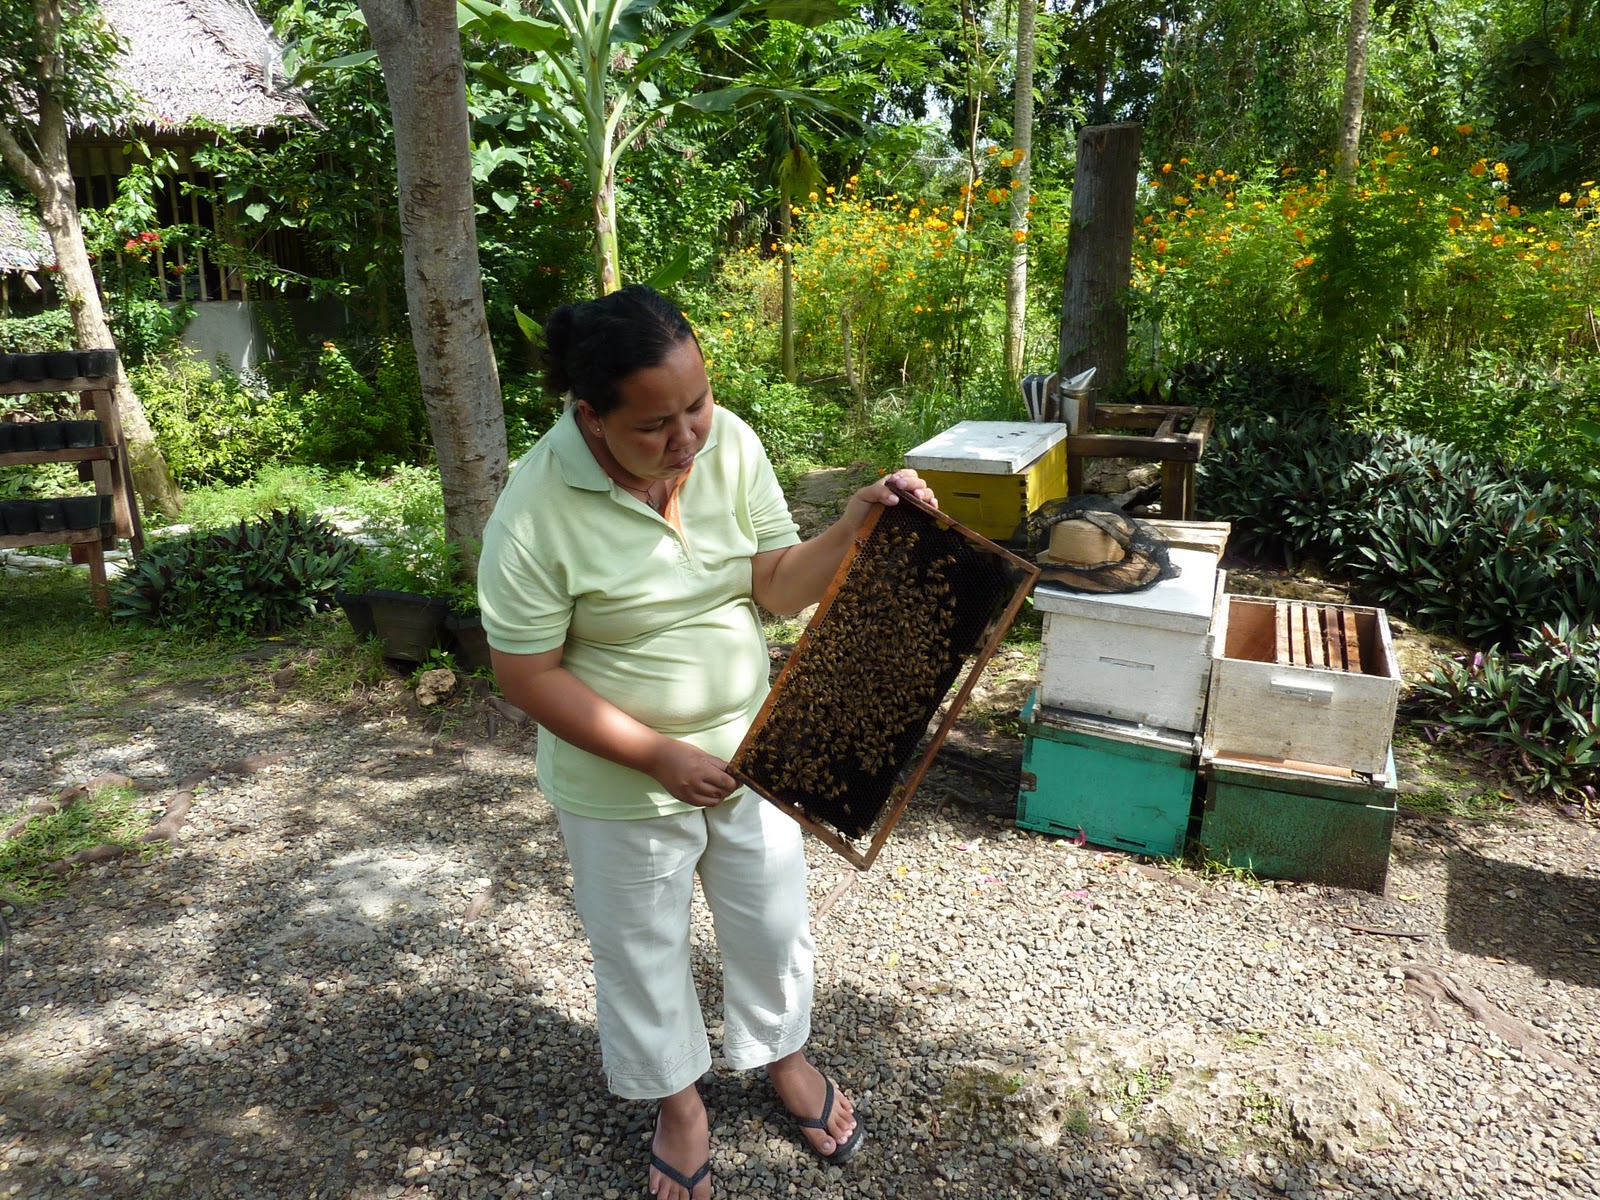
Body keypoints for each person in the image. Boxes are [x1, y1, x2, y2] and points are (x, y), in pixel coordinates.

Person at [476, 284, 938, 1200]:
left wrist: (852, 528)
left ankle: (784, 1058)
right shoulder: (531, 511)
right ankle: (679, 1105)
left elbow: (772, 584)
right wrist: (656, 753)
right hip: (620, 778)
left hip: (757, 751)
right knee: (640, 949)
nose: (688, 435)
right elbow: (526, 675)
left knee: (771, 924)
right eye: (656, 424)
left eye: (699, 403)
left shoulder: (730, 445)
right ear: (589, 417)